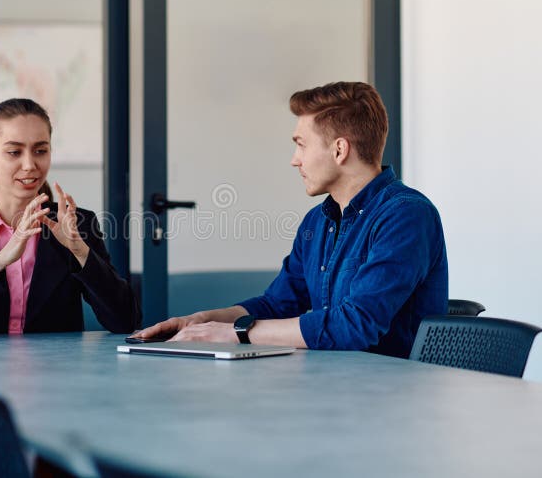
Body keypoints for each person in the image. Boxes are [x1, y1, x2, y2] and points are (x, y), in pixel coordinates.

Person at [133, 82, 447, 358]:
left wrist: (235, 334)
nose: (294, 160)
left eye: (301, 144)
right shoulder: (317, 222)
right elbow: (276, 304)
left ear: (339, 150)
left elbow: (356, 325)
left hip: (392, 393)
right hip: (336, 385)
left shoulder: (406, 215)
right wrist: (203, 321)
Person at [0, 98, 140, 448]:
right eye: (14, 152)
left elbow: (125, 320)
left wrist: (79, 250)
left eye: (40, 150)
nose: (30, 165)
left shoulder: (76, 223)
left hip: (57, 392)